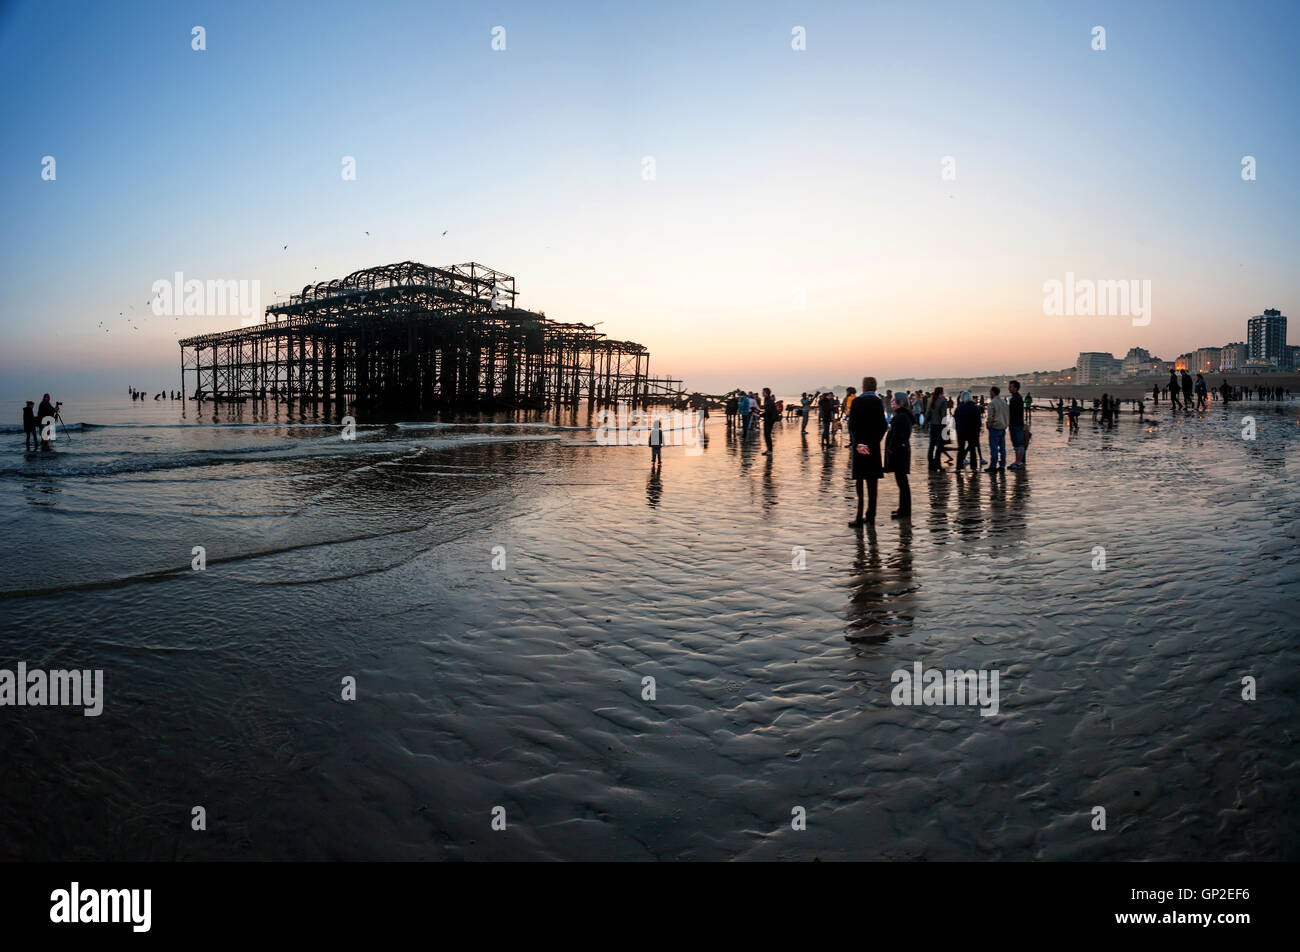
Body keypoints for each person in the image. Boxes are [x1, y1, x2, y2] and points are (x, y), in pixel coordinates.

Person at [847, 377, 887, 525]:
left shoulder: (857, 402)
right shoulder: (878, 402)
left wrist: (858, 442)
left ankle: (859, 516)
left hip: (859, 446)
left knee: (859, 480)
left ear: (862, 387)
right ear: (875, 388)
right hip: (873, 447)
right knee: (872, 481)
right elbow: (883, 426)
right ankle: (871, 515)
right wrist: (875, 441)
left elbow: (852, 426)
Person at [883, 392, 913, 519]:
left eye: (894, 400)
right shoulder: (903, 415)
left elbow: (898, 435)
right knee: (901, 482)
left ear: (900, 402)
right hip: (900, 451)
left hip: (899, 452)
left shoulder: (902, 417)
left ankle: (904, 511)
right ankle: (903, 509)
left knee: (902, 482)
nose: (891, 402)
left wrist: (891, 449)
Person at [953, 390, 981, 474]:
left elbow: (955, 418)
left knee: (960, 449)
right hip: (972, 431)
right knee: (972, 449)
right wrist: (977, 430)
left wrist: (957, 428)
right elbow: (978, 421)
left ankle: (958, 467)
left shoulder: (959, 407)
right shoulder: (975, 407)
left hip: (961, 431)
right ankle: (974, 468)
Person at [984, 385, 1008, 472]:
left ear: (993, 392)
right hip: (1003, 427)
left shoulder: (992, 403)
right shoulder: (1004, 402)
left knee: (994, 448)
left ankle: (993, 466)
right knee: (1002, 448)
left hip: (995, 428)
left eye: (990, 392)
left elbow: (990, 417)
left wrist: (989, 425)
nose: (989, 393)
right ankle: (1002, 465)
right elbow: (1007, 415)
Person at [927, 386, 950, 472]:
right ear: (942, 392)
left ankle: (930, 465)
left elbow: (928, 413)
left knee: (931, 445)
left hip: (932, 424)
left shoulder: (931, 400)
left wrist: (925, 423)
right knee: (939, 446)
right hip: (940, 425)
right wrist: (945, 426)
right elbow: (943, 415)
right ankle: (938, 465)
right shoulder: (942, 401)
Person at [1007, 380, 1026, 469]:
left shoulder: (1016, 398)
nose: (1009, 388)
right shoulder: (1016, 398)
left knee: (1019, 443)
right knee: (1016, 444)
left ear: (1015, 388)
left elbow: (1012, 412)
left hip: (1016, 424)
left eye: (1010, 387)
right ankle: (1018, 461)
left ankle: (1018, 462)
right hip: (1016, 423)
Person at [761, 387, 778, 454]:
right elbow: (766, 410)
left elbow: (768, 412)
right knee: (766, 435)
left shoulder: (769, 401)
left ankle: (770, 450)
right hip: (768, 419)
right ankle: (768, 449)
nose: (762, 393)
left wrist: (759, 415)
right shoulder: (766, 399)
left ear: (767, 393)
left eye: (763, 392)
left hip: (770, 419)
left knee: (767, 434)